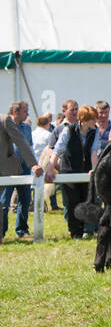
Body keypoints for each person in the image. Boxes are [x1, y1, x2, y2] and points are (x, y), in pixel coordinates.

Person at [52, 104, 98, 238]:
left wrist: (94, 169)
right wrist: (50, 169)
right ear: (84, 119)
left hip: (85, 171)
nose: (95, 122)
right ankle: (74, 232)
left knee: (86, 200)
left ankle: (86, 230)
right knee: (72, 202)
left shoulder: (94, 132)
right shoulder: (69, 130)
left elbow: (93, 152)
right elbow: (58, 150)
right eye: (93, 119)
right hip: (69, 171)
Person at [2, 101, 42, 241]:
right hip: (9, 169)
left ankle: (20, 230)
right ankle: (2, 232)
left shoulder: (20, 125)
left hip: (18, 168)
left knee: (20, 201)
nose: (28, 113)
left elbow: (25, 145)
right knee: (3, 203)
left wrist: (33, 165)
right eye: (25, 111)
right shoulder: (5, 122)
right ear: (15, 111)